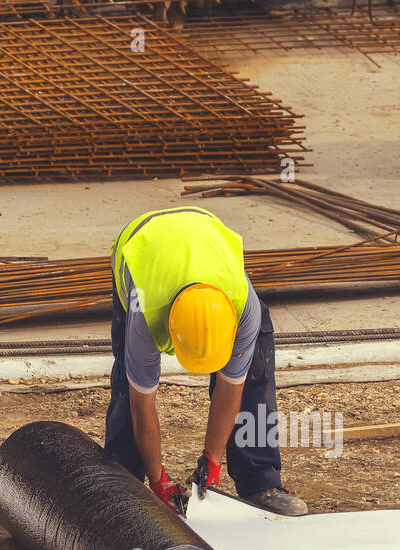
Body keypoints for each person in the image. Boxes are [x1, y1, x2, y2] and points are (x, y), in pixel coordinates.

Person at [104, 206, 308, 517]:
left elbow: (232, 388)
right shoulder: (145, 316)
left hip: (205, 237)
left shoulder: (243, 308)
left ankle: (260, 480)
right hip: (141, 246)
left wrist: (212, 460)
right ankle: (125, 487)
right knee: (127, 386)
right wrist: (159, 481)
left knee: (254, 373)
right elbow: (141, 406)